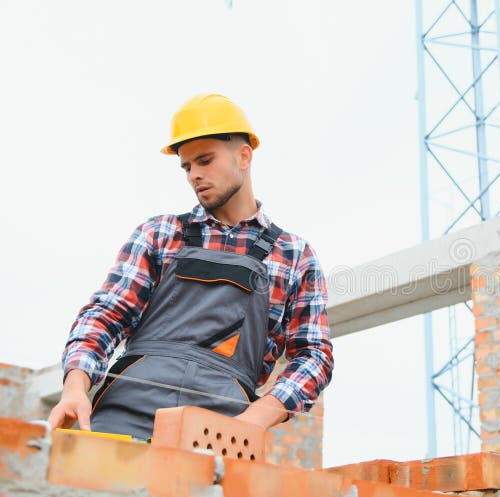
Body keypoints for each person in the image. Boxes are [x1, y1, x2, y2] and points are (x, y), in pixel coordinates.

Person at [47, 94, 334, 439]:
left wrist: (254, 419)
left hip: (222, 428)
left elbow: (313, 355)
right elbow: (107, 314)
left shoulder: (294, 256)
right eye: (187, 167)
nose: (194, 176)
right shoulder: (160, 234)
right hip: (126, 414)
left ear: (244, 156)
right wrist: (75, 387)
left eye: (205, 161)